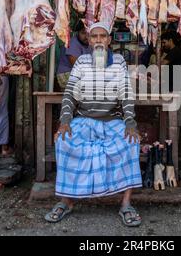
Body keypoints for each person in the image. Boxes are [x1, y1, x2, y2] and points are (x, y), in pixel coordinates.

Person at [45, 22, 143, 227]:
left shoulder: (118, 62)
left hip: (112, 120)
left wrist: (130, 123)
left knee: (130, 143)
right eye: (94, 37)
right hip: (84, 119)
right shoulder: (81, 62)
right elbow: (70, 94)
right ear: (89, 41)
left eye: (102, 36)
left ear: (109, 40)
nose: (98, 40)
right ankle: (66, 201)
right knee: (63, 141)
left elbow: (126, 94)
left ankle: (125, 204)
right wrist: (64, 122)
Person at [56, 20, 90, 91]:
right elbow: (76, 66)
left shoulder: (90, 44)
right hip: (66, 74)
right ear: (77, 33)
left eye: (89, 34)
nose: (86, 37)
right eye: (83, 33)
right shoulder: (73, 43)